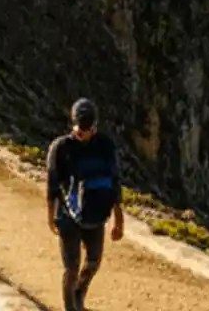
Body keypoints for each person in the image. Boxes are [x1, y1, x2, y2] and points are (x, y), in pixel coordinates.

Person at [46, 98, 125, 311]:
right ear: (73, 123)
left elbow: (115, 181)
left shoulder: (106, 146)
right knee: (71, 268)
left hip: (97, 214)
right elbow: (53, 185)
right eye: (80, 128)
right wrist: (50, 215)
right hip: (66, 215)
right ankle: (70, 308)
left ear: (95, 126)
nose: (83, 133)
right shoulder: (60, 147)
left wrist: (119, 217)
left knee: (93, 262)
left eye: (87, 128)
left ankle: (79, 294)